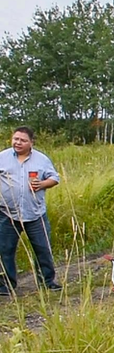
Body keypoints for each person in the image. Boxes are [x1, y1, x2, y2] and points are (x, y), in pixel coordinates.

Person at [0, 126, 61, 295]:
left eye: (23, 140)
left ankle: (47, 282)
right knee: (5, 249)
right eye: (15, 139)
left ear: (31, 143)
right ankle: (6, 285)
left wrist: (42, 184)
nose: (18, 143)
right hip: (7, 213)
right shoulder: (3, 157)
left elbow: (55, 178)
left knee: (43, 248)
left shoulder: (41, 159)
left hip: (35, 213)